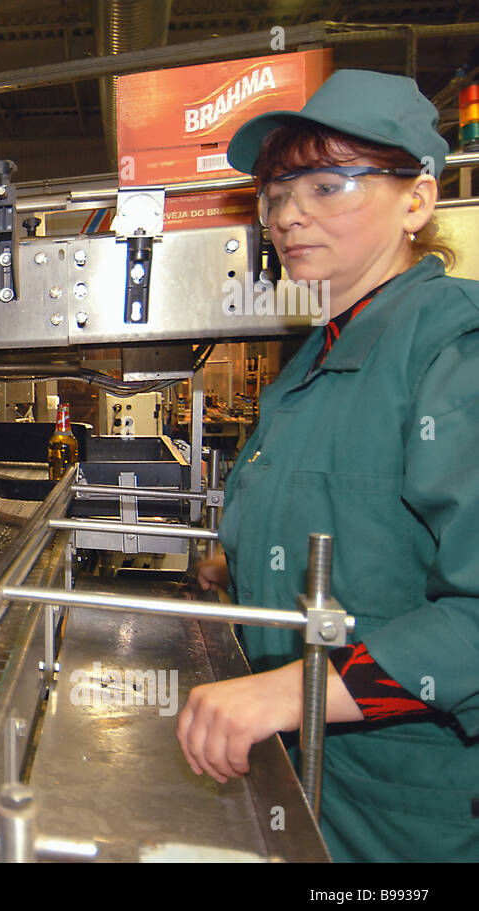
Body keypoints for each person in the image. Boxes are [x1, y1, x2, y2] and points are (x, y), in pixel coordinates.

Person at [176, 69, 479, 862]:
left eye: (329, 184)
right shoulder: (320, 352)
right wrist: (235, 562)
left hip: (409, 818)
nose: (288, 214)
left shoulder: (453, 350)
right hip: (311, 784)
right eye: (275, 191)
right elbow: (358, 524)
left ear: (416, 201)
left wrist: (287, 691)